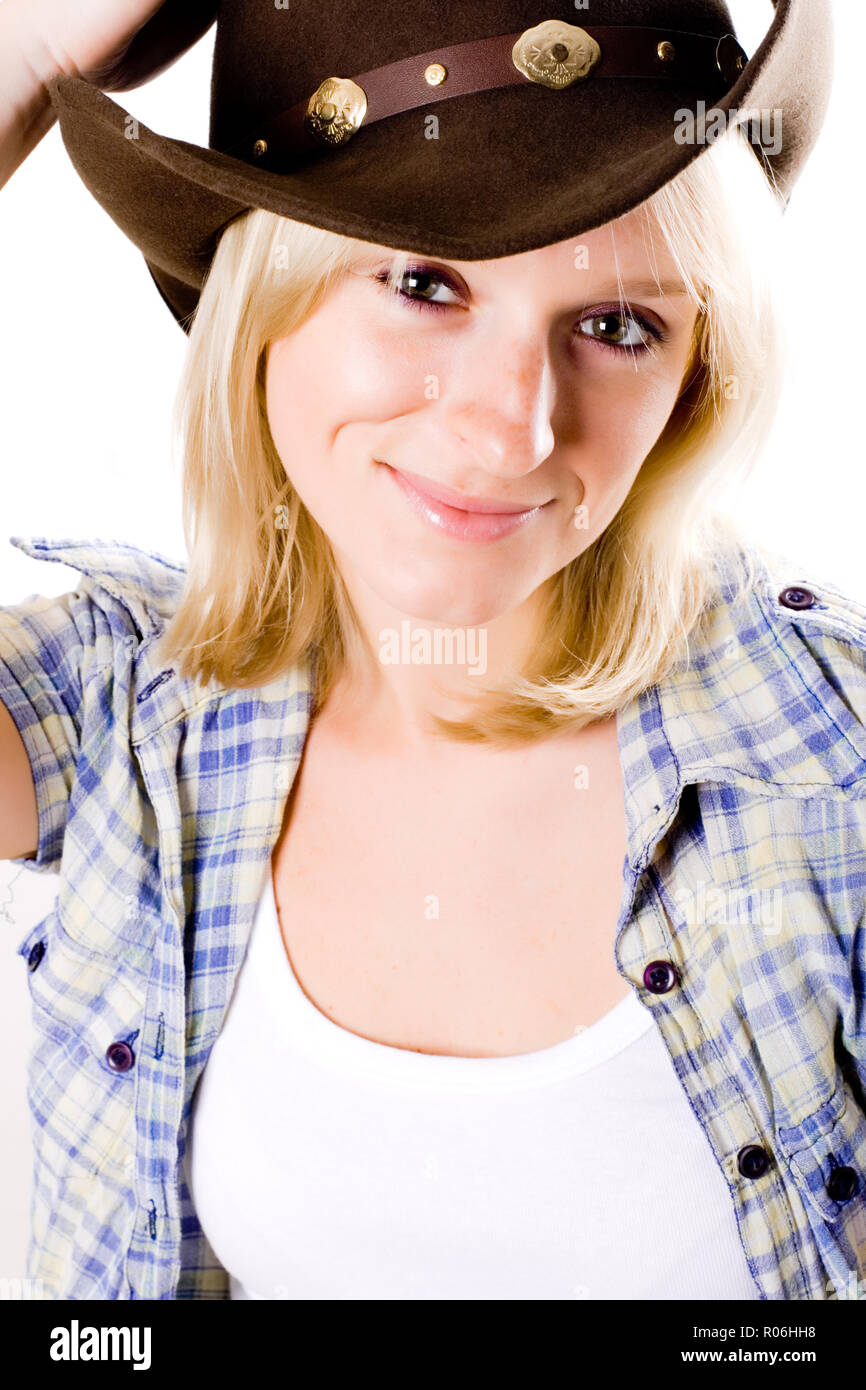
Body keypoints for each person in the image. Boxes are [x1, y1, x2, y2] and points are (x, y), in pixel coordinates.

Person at [1, 0, 864, 1302]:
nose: (510, 430)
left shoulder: (832, 774)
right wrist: (16, 59)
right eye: (422, 284)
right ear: (265, 304)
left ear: (694, 376)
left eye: (618, 325)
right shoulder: (138, 708)